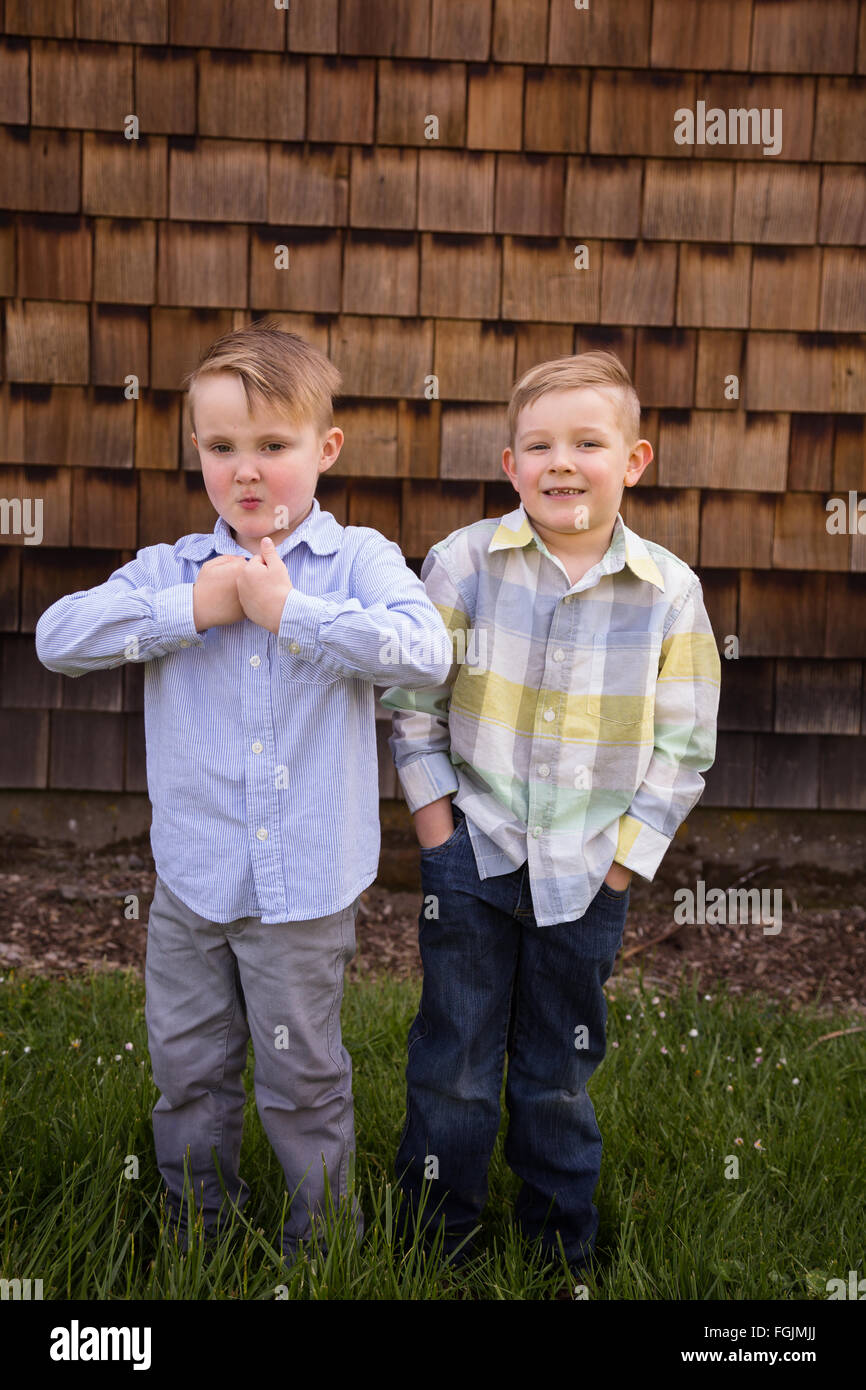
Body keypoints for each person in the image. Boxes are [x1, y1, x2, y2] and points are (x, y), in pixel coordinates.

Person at [35, 320, 452, 1261]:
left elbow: (425, 650)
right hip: (193, 880)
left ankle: (322, 1243)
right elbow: (59, 640)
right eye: (224, 448)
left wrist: (286, 612)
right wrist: (200, 608)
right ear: (197, 453)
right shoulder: (173, 569)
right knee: (188, 1068)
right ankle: (199, 1235)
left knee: (301, 1075)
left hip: (302, 888)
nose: (248, 471)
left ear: (325, 448)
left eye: (274, 446)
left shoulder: (360, 562)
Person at [381, 350, 722, 1276]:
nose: (561, 462)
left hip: (589, 871)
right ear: (510, 465)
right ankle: (432, 1244)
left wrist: (623, 864)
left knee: (557, 1072)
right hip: (474, 856)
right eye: (539, 444)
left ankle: (554, 1250)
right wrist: (437, 833)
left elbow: (685, 746)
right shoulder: (464, 564)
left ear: (635, 460)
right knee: (452, 1057)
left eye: (587, 442)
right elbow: (414, 699)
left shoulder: (668, 592)